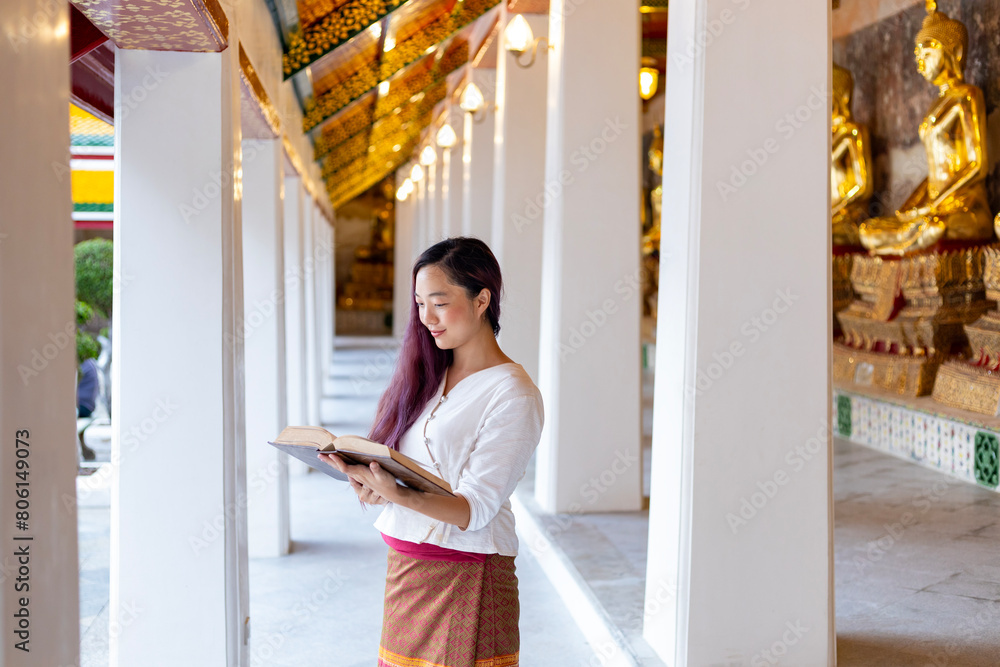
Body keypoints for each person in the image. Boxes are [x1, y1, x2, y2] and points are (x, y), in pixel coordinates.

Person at [321, 236, 543, 667]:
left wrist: (400, 494)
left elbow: (474, 509)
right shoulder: (426, 375)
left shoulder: (513, 394)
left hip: (469, 572)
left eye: (439, 302)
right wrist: (377, 487)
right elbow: (419, 469)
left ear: (483, 299)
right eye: (420, 303)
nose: (426, 318)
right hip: (407, 568)